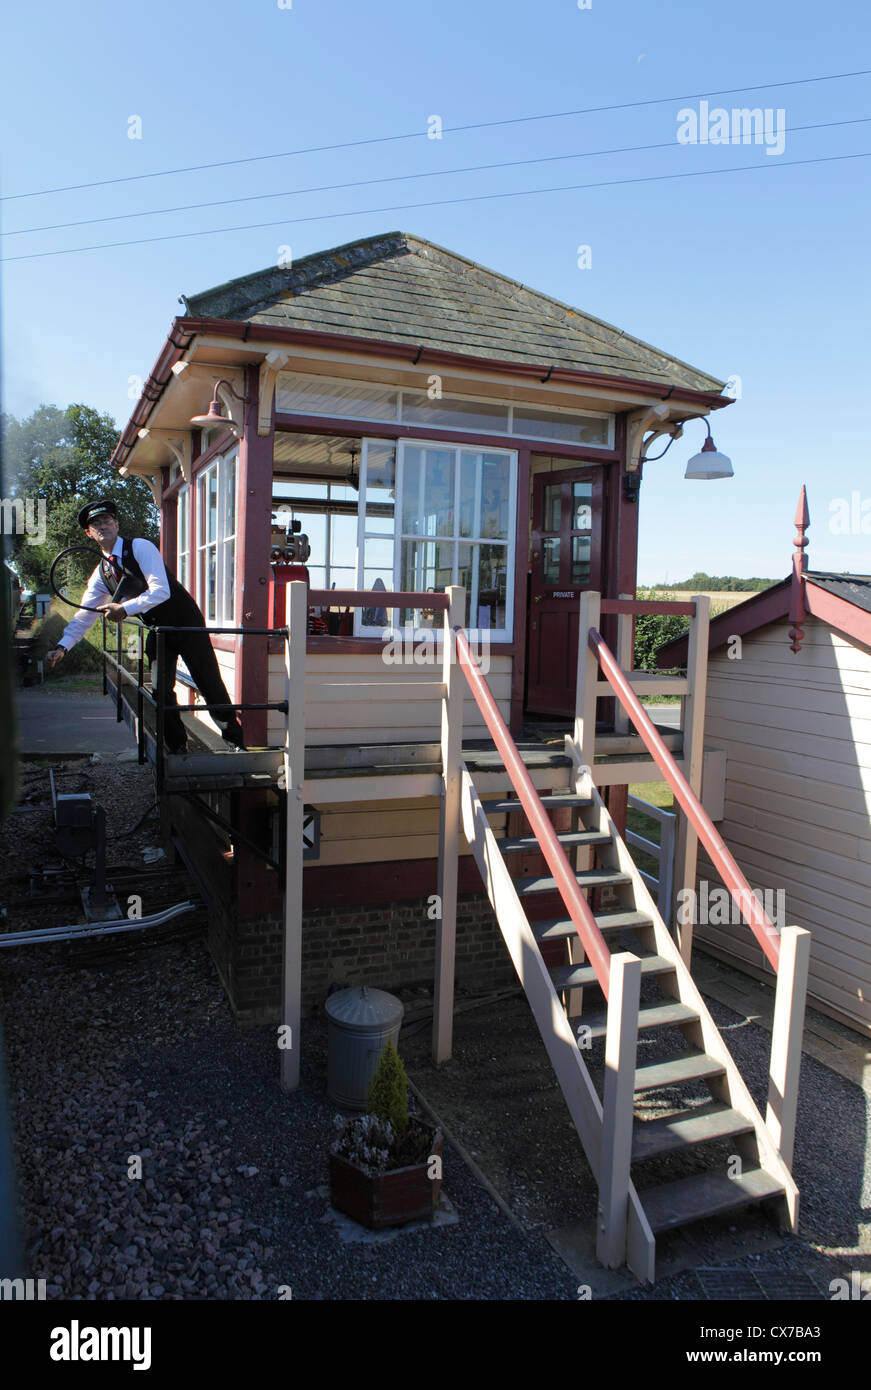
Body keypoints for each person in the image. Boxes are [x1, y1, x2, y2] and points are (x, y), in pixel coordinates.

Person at [45, 499, 245, 753]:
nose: (103, 526)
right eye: (96, 524)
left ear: (116, 524)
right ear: (89, 533)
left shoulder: (140, 547)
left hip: (186, 622)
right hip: (158, 629)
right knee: (160, 690)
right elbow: (85, 615)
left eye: (107, 520)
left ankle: (235, 742)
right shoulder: (101, 573)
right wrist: (62, 647)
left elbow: (160, 590)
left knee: (208, 681)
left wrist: (124, 609)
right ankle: (177, 747)